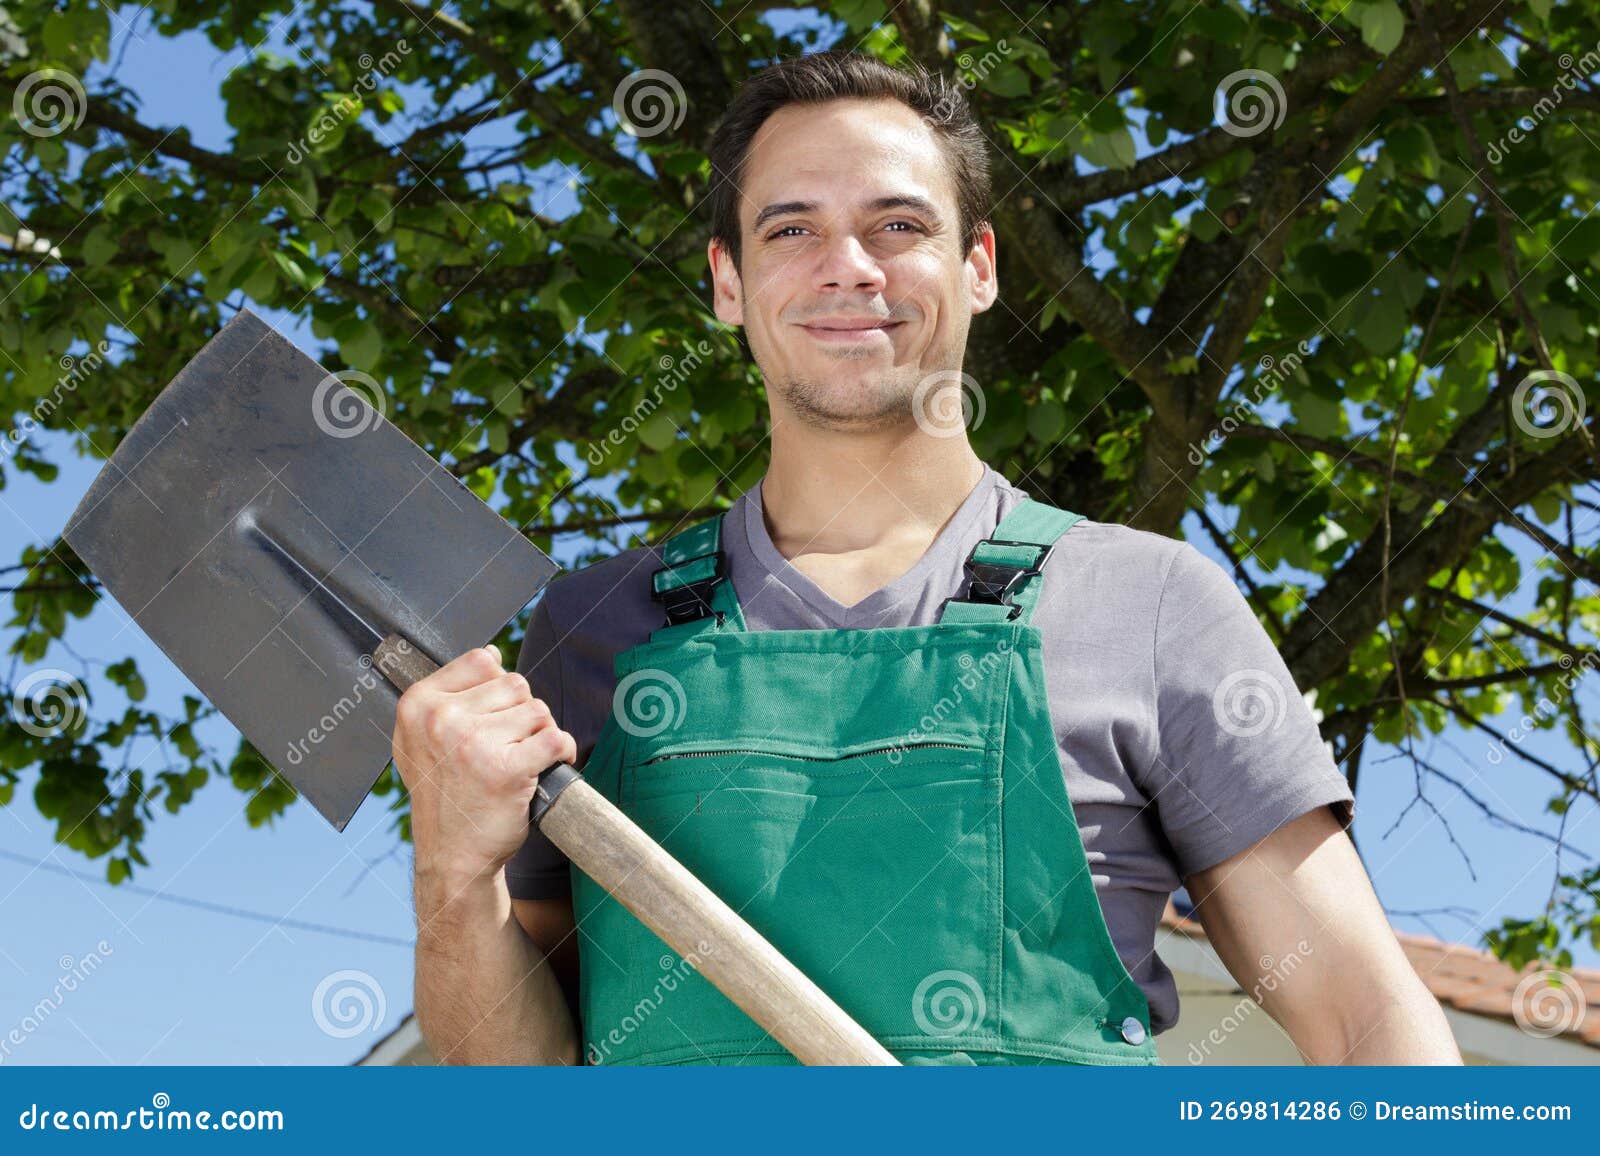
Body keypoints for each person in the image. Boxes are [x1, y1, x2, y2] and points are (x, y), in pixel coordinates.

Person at [393, 50, 1461, 1066]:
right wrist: (450, 865)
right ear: (726, 283)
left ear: (978, 266)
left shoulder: (1149, 604)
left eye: (896, 223)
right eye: (790, 228)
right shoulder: (593, 627)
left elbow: (1368, 1022)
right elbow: (513, 1090)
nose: (847, 266)